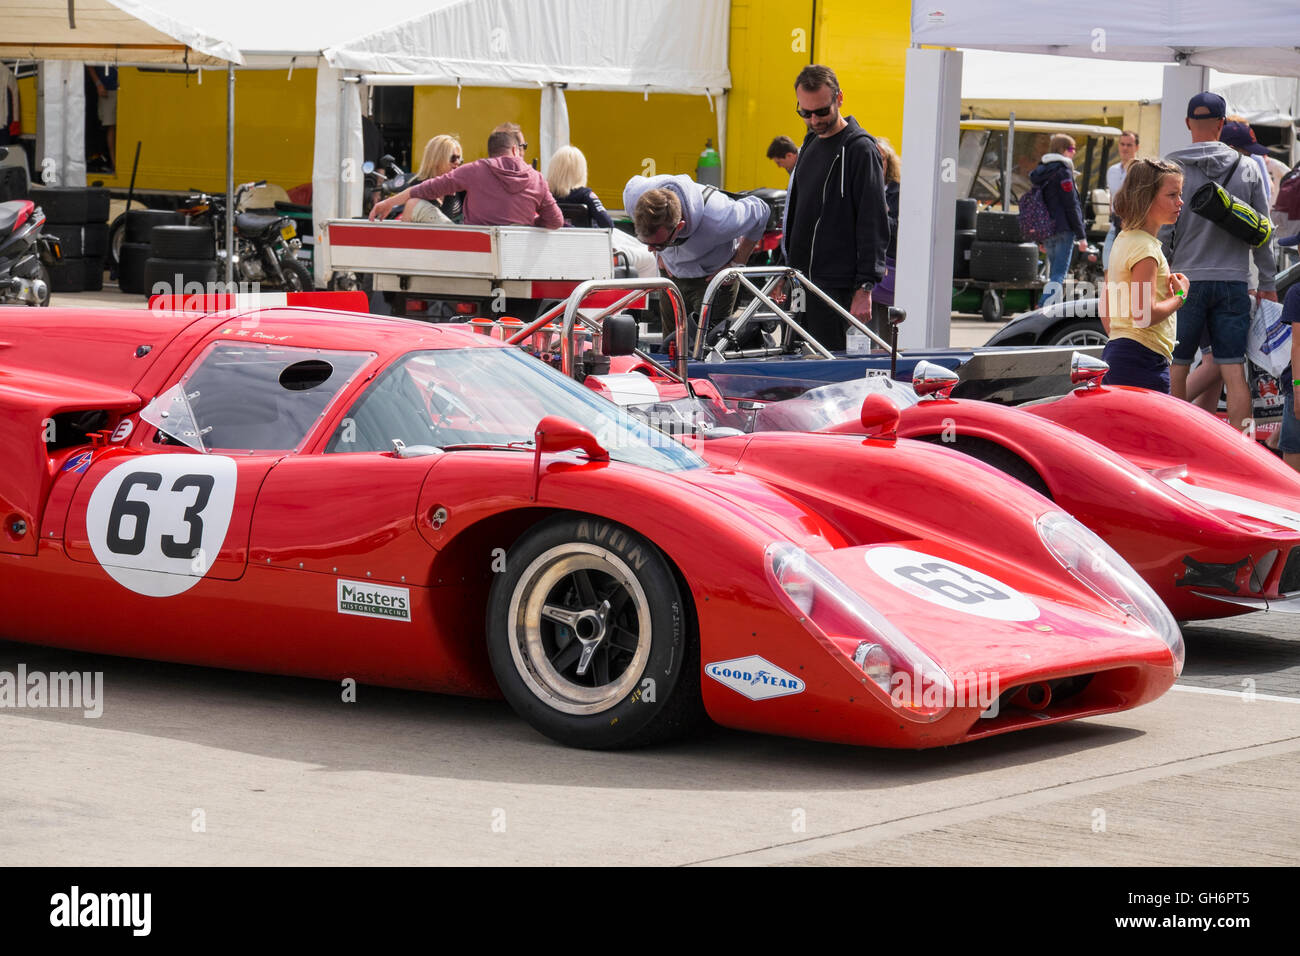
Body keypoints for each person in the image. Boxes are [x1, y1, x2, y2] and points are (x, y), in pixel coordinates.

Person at [1163, 91, 1277, 433]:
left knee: (1178, 368)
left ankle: (1176, 438)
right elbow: (1263, 231)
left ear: (1187, 124)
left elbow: (1165, 229)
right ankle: (1240, 450)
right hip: (1234, 282)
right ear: (1222, 124)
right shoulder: (1248, 167)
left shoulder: (1171, 167)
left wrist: (1160, 273)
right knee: (1233, 371)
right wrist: (1268, 283)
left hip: (1185, 283)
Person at [782, 64, 890, 350]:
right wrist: (787, 272)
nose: (813, 119)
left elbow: (874, 220)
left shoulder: (860, 149)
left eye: (821, 111)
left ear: (839, 99)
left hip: (837, 286)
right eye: (805, 113)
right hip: (802, 281)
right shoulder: (809, 143)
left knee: (830, 372)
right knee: (795, 361)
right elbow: (798, 213)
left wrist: (865, 287)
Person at [622, 172, 767, 340]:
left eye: (658, 244)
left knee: (706, 348)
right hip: (671, 275)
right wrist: (659, 252)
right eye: (645, 242)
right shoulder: (634, 197)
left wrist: (737, 263)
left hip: (712, 279)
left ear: (679, 226)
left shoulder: (720, 218)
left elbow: (762, 211)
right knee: (670, 347)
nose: (649, 249)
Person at [1099, 159, 1190, 392]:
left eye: (1179, 194)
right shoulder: (1146, 249)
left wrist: (1122, 338)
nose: (1180, 202)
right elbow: (1144, 315)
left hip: (1121, 353)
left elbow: (1106, 307)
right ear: (1146, 197)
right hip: (1142, 360)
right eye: (1172, 195)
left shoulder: (1124, 239)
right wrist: (1180, 296)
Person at [369, 127, 562, 229]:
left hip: (474, 251)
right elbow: (555, 221)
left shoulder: (474, 170)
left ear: (490, 153)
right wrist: (527, 226)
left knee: (413, 203)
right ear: (514, 149)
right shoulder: (537, 179)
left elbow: (427, 189)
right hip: (515, 257)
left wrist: (389, 202)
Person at [546, 145, 657, 278]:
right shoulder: (586, 196)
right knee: (649, 257)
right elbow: (608, 225)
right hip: (591, 254)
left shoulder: (547, 196)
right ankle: (643, 297)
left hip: (559, 253)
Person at [1030, 133, 1088, 306]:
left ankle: (1046, 306)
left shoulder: (1039, 173)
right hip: (1063, 229)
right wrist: (1082, 235)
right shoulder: (1063, 172)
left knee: (1052, 273)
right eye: (1072, 149)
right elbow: (1071, 204)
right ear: (1063, 150)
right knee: (1058, 274)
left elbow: (1037, 205)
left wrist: (1039, 237)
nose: (1074, 153)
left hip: (1046, 230)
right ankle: (1043, 306)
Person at [870, 137, 902, 339]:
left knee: (886, 332)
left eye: (880, 158)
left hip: (887, 265)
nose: (875, 163)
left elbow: (901, 232)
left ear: (889, 162)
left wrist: (881, 213)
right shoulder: (858, 188)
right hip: (861, 266)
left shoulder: (898, 193)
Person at [403, 134, 464, 224]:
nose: (457, 163)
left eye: (459, 159)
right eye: (453, 158)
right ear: (436, 159)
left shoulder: (461, 186)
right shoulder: (417, 187)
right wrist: (450, 194)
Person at [1102, 130, 1139, 271]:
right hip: (1114, 225)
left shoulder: (1141, 170)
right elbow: (1112, 196)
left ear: (1137, 147)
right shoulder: (1112, 170)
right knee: (1107, 267)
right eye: (1122, 144)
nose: (1125, 148)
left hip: (1133, 227)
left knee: (1127, 271)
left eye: (1129, 145)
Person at [1277, 283, 1300, 471]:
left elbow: (1298, 345)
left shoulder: (1297, 292)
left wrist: (1298, 388)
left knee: (1293, 451)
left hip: (1298, 383)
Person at [87, 66, 117, 171]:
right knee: (111, 126)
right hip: (108, 89)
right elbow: (89, 63)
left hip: (124, 85)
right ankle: (114, 164)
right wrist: (98, 84)